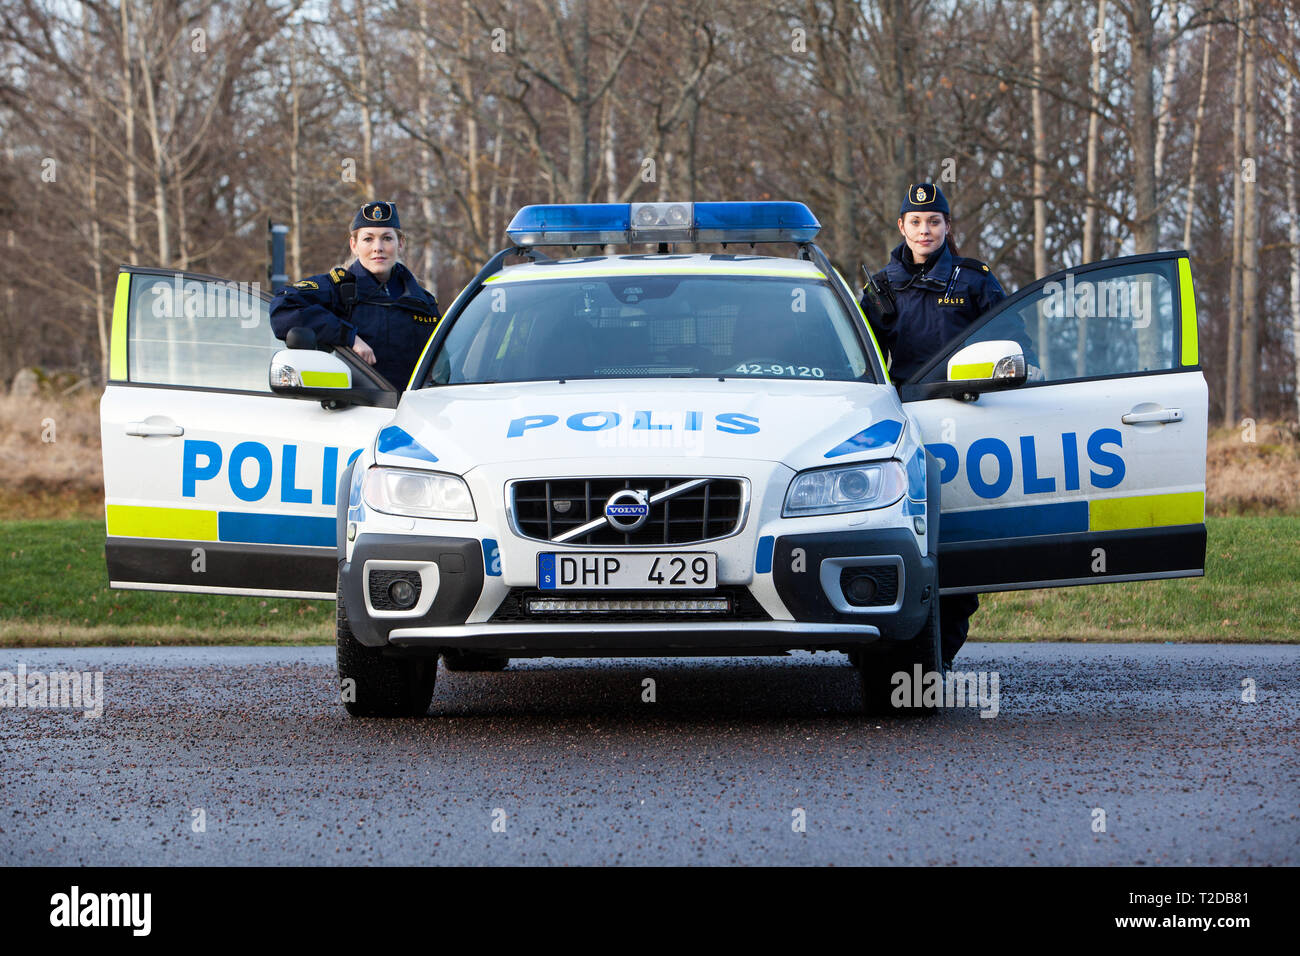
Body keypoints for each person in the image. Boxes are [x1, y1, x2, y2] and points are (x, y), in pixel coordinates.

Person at [860, 183, 1019, 670]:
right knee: (903, 536)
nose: (924, 230)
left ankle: (938, 658)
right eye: (915, 222)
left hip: (970, 422)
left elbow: (1013, 338)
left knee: (959, 540)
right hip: (906, 425)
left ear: (948, 227)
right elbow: (860, 364)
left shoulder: (974, 281)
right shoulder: (881, 288)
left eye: (934, 221)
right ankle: (884, 653)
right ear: (902, 228)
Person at [270, 201, 441, 392]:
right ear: (354, 245)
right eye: (368, 239)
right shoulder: (335, 289)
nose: (378, 248)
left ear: (400, 243)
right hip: (352, 413)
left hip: (411, 413)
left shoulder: (423, 303)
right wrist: (348, 337)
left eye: (387, 238)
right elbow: (283, 309)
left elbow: (442, 368)